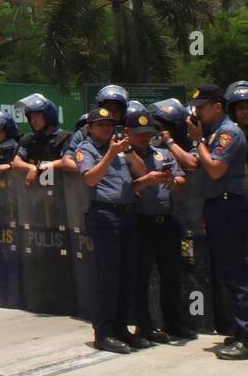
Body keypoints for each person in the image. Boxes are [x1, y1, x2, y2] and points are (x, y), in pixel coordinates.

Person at [72, 104, 144, 354]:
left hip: (128, 214)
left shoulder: (122, 149)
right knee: (108, 277)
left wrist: (128, 150)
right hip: (105, 215)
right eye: (101, 125)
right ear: (90, 128)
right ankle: (104, 332)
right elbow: (90, 178)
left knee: (127, 276)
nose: (106, 128)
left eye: (110, 125)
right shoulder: (86, 149)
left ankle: (121, 327)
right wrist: (111, 154)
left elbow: (141, 173)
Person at [125, 104, 196, 344]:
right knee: (141, 276)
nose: (144, 138)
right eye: (139, 133)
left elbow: (182, 178)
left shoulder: (161, 154)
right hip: (140, 221)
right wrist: (145, 181)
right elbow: (125, 188)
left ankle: (173, 322)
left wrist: (172, 180)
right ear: (127, 133)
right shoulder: (123, 156)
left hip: (166, 220)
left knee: (171, 274)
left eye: (147, 133)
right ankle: (144, 326)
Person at [187, 85, 248, 359]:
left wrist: (198, 141)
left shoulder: (228, 133)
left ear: (217, 106)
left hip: (228, 206)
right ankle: (239, 329)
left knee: (236, 273)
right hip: (217, 205)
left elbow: (215, 169)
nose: (198, 112)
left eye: (202, 107)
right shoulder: (215, 134)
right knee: (228, 271)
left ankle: (245, 337)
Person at [11, 93, 71, 186]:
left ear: (49, 115)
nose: (33, 121)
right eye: (31, 117)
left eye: (37, 116)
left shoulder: (65, 137)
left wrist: (44, 167)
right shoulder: (28, 139)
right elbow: (16, 163)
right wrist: (31, 168)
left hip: (58, 195)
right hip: (33, 195)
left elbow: (68, 161)